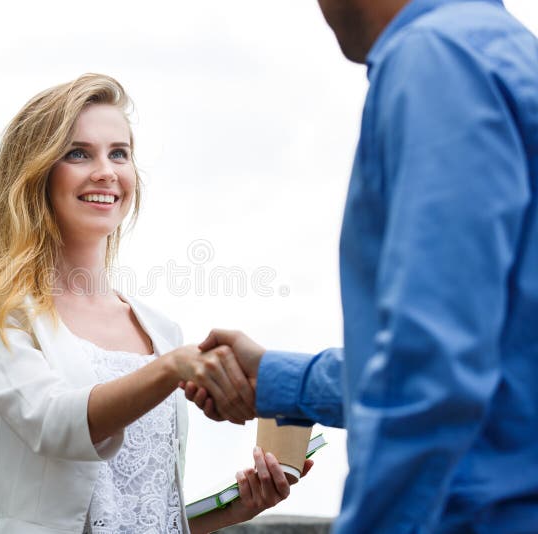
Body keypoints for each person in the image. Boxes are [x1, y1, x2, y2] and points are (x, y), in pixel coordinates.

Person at [184, 0, 538, 532]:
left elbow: (432, 365)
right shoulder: (498, 50)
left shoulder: (436, 60)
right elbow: (495, 350)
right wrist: (285, 380)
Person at [0, 74, 309, 534]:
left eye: (119, 153)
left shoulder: (160, 330)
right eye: (79, 153)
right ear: (34, 173)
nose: (106, 171)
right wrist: (172, 368)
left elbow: (145, 513)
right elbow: (53, 422)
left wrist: (238, 507)